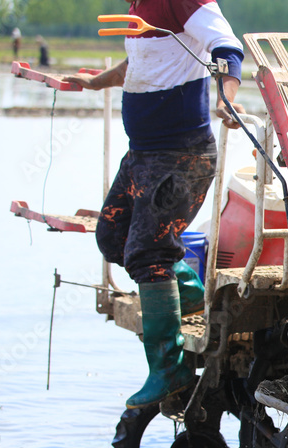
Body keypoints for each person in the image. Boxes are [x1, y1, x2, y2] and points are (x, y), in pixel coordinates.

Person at [64, 0, 245, 410]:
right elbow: (140, 66)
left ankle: (169, 368)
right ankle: (189, 290)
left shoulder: (182, 1)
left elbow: (227, 48)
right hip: (142, 155)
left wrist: (226, 97)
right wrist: (96, 82)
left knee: (148, 254)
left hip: (182, 158)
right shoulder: (139, 6)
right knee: (113, 238)